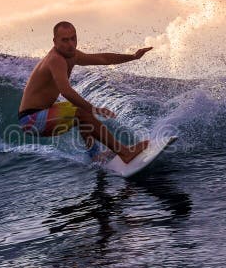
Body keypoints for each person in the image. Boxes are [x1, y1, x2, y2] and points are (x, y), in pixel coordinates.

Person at [18, 21, 152, 164]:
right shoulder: (55, 59)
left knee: (81, 111)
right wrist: (93, 109)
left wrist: (132, 57)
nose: (70, 44)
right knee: (82, 113)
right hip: (31, 120)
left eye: (73, 38)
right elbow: (66, 91)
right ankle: (125, 153)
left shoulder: (72, 55)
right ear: (55, 41)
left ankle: (95, 156)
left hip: (43, 112)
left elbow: (103, 59)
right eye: (65, 40)